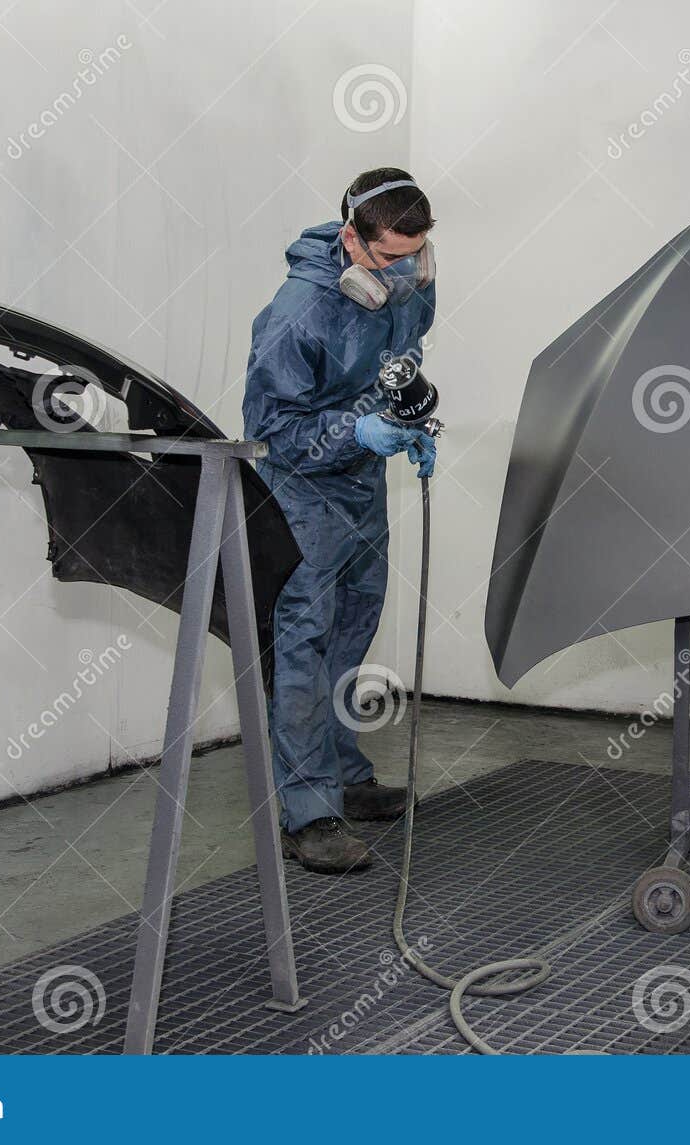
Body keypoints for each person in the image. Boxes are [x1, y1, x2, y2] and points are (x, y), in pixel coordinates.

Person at [242, 168, 437, 874]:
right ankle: (308, 812)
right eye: (392, 258)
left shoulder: (411, 278)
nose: (409, 270)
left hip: (362, 487)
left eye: (419, 252)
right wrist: (355, 433)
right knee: (303, 638)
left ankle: (344, 773)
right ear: (352, 240)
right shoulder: (299, 313)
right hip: (301, 491)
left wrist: (406, 418)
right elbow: (267, 429)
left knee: (354, 623)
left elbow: (402, 357)